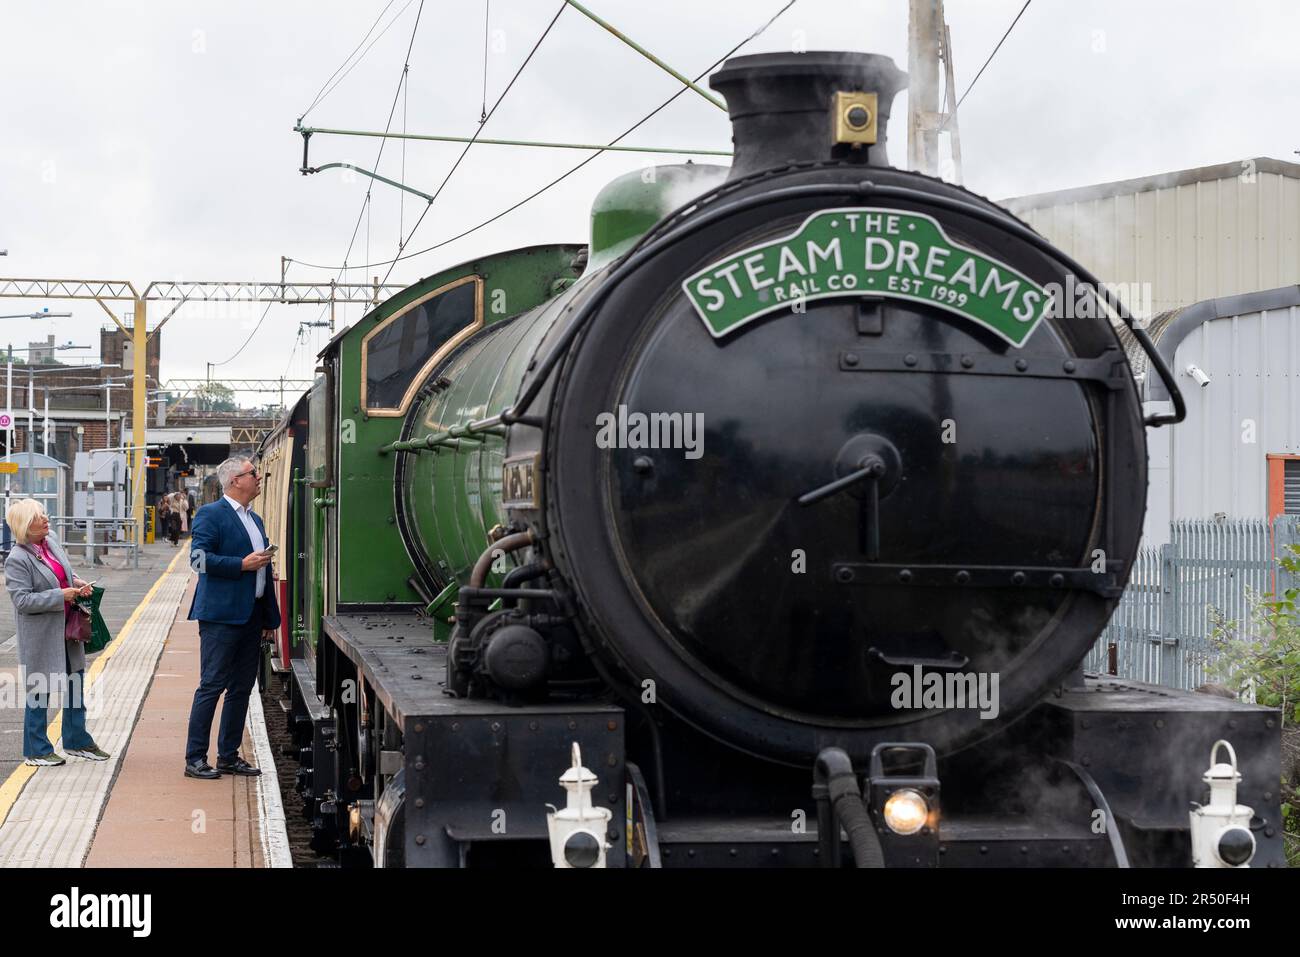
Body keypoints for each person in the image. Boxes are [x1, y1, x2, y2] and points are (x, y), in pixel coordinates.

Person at [183, 456, 280, 780]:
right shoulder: (211, 515)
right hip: (221, 617)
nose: (259, 477)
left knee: (241, 688)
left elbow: (262, 568)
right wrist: (241, 564)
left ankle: (228, 755)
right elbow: (198, 559)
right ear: (235, 480)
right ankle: (195, 758)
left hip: (251, 616)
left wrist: (268, 618)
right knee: (211, 686)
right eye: (254, 473)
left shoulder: (256, 520)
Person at [3, 499, 109, 766]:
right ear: (26, 525)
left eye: (44, 514)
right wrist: (60, 594)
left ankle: (77, 741)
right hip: (41, 635)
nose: (46, 519)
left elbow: (64, 572)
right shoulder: (17, 559)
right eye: (39, 517)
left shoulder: (50, 542)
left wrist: (77, 583)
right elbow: (23, 601)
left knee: (75, 685)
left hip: (68, 628)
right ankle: (36, 750)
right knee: (39, 691)